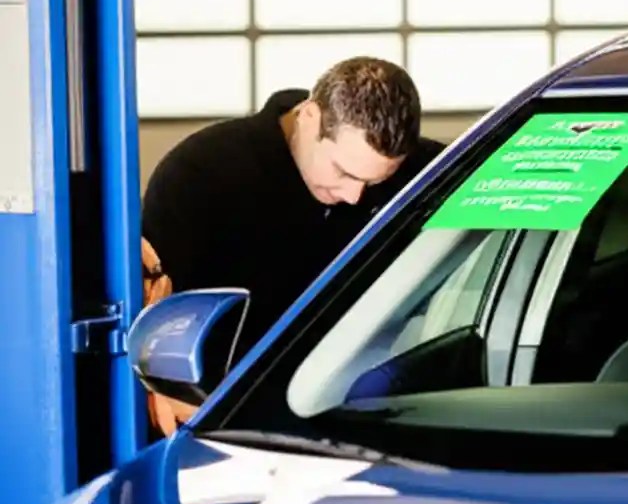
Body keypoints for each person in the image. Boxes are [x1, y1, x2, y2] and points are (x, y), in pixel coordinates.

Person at [142, 57, 446, 360]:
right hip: (230, 386)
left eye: (374, 181)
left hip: (366, 379)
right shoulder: (198, 177)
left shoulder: (424, 175)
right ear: (309, 117)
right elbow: (155, 322)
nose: (354, 196)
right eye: (343, 172)